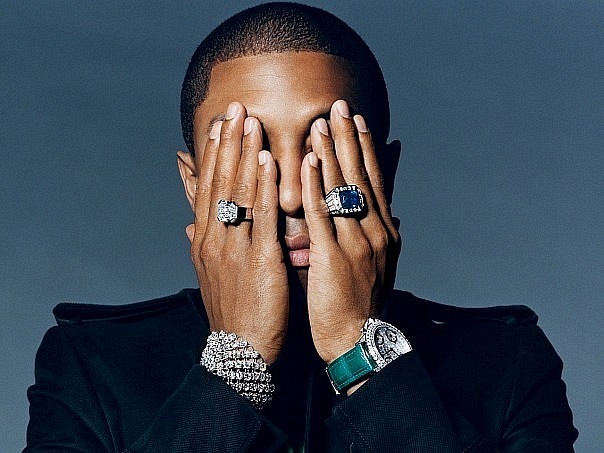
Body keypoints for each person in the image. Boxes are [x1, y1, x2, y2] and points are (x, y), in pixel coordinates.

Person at [25, 3, 577, 452]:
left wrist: (361, 353)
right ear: (194, 185)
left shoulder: (507, 364)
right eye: (251, 151)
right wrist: (235, 364)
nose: (290, 195)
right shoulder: (90, 367)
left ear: (383, 173)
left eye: (324, 144)